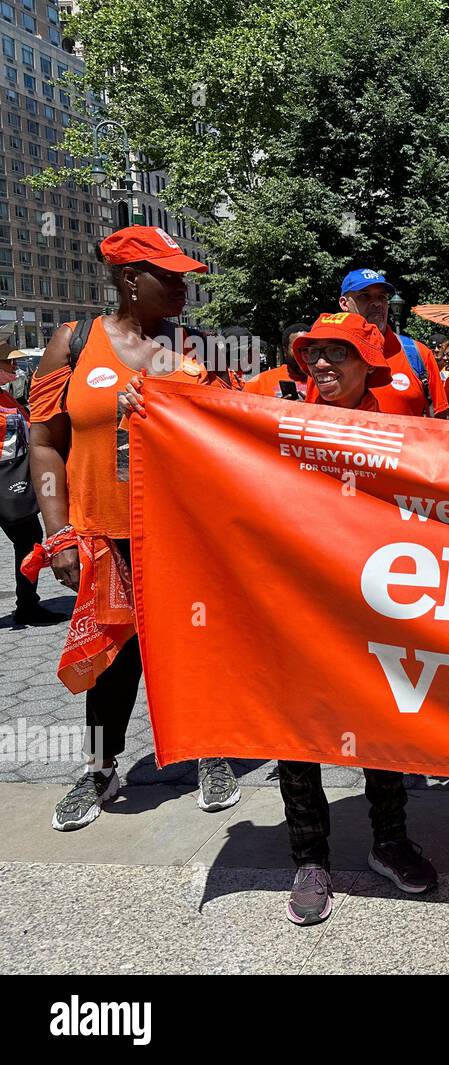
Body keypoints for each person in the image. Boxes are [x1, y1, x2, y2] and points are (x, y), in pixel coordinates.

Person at [25, 225, 242, 829]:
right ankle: (100, 766)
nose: (181, 288)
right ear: (129, 280)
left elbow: (238, 438)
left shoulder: (205, 352)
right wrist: (59, 532)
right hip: (103, 535)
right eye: (167, 276)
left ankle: (207, 748)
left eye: (182, 277)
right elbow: (45, 442)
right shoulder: (74, 343)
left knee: (193, 647)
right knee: (113, 657)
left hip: (185, 536)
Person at [276, 312, 438, 925]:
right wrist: (149, 401)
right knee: (296, 732)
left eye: (338, 353)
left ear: (367, 362)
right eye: (314, 352)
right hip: (301, 601)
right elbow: (200, 421)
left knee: (381, 722)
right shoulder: (277, 415)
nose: (323, 363)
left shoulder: (401, 424)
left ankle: (390, 841)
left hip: (380, 600)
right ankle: (310, 858)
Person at [336, 268, 448, 416]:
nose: (376, 303)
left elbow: (440, 420)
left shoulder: (418, 354)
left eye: (382, 297)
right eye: (365, 296)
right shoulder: (323, 357)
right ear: (344, 303)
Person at [1, 376, 59, 624]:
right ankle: (26, 605)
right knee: (27, 539)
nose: (13, 367)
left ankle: (27, 604)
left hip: (11, 477)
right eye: (7, 362)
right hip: (5, 478)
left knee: (28, 540)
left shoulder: (6, 396)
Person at [242, 323, 310, 400]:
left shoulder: (322, 382)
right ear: (285, 351)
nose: (302, 354)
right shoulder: (259, 382)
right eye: (296, 348)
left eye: (306, 349)